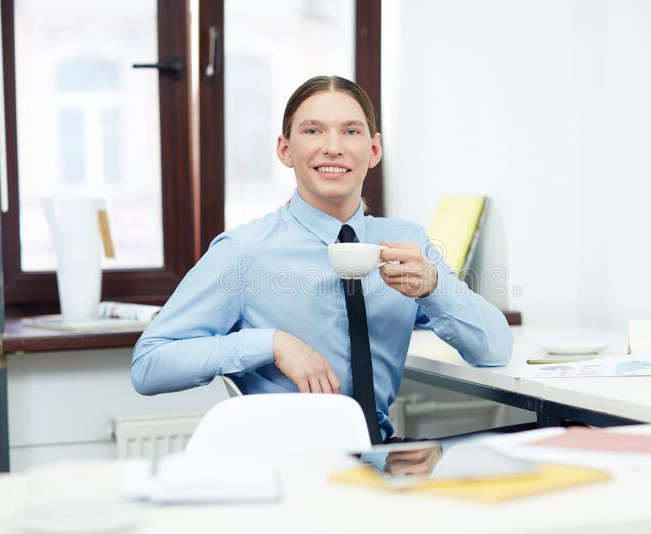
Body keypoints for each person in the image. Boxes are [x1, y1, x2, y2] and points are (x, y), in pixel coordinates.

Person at [131, 75, 514, 444]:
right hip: (290, 464)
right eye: (313, 130)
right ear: (285, 150)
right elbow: (149, 365)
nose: (333, 147)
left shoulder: (407, 243)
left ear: (374, 150)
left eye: (351, 131)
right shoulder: (243, 251)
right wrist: (270, 343)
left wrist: (434, 288)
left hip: (379, 457)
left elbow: (495, 350)